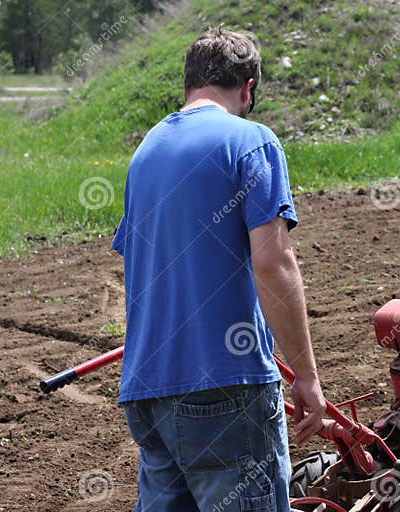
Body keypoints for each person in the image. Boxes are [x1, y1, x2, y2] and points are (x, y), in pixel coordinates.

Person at [111, 25, 326, 512]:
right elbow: (273, 264)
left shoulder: (145, 153)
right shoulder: (251, 142)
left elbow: (146, 260)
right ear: (248, 87)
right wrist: (307, 377)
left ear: (187, 84)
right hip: (225, 389)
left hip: (148, 390)